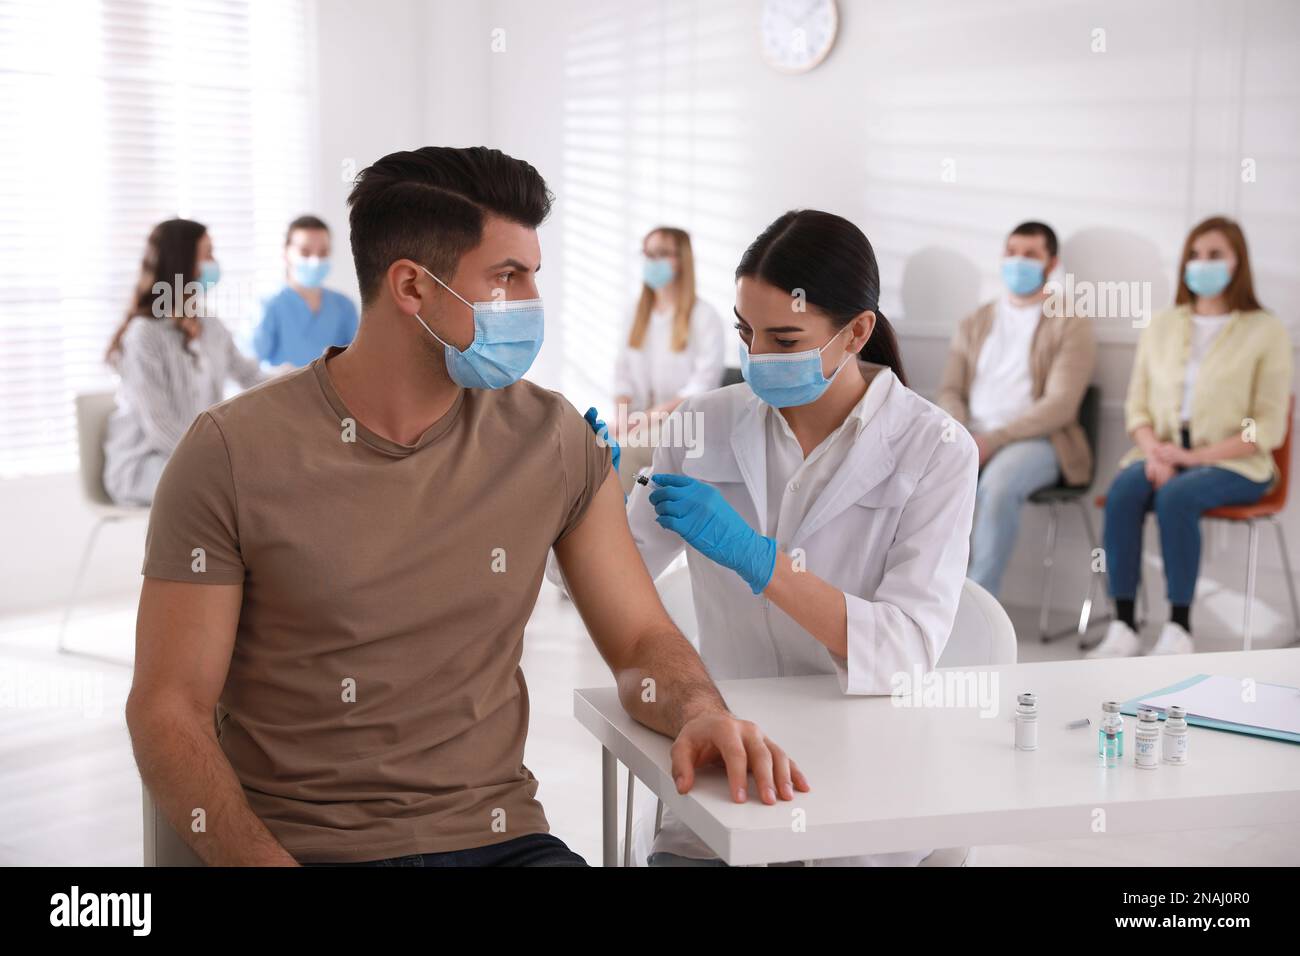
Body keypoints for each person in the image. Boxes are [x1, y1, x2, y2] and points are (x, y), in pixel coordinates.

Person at [125, 146, 806, 868]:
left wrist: (700, 709)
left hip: (499, 839)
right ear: (413, 288)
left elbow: (640, 642)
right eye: (507, 278)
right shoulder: (230, 453)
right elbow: (168, 708)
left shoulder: (552, 441)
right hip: (304, 848)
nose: (530, 303)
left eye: (533, 276)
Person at [571, 210, 978, 866]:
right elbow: (618, 585)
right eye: (746, 332)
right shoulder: (701, 423)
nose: (756, 356)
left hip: (863, 753)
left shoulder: (936, 448)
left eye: (784, 340)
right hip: (726, 742)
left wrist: (762, 563)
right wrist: (588, 497)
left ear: (857, 332)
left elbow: (902, 651)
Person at [1089, 216, 1293, 657]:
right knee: (1124, 491)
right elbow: (1137, 408)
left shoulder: (1266, 330)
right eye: (1195, 256)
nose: (1202, 264)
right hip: (1160, 453)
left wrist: (1189, 458)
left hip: (1238, 462)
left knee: (1176, 498)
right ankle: (1123, 623)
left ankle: (1178, 628)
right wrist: (1158, 454)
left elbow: (1268, 426)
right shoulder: (1162, 325)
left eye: (1215, 255)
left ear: (1238, 262)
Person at [936, 221, 1096, 597]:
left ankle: (976, 606)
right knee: (924, 484)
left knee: (997, 488)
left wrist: (992, 440)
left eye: (1030, 254)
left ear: (1051, 263)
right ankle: (929, 599)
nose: (1017, 261)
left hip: (1039, 441)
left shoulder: (1070, 322)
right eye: (1011, 252)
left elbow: (1060, 405)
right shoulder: (975, 322)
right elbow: (949, 389)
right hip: (970, 436)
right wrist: (963, 434)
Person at [102, 219, 267, 506]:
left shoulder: (208, 324)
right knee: (236, 488)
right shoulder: (145, 335)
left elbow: (250, 376)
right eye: (208, 254)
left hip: (196, 458)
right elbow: (161, 427)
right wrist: (219, 458)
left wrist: (305, 379)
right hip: (146, 465)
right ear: (183, 262)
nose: (215, 263)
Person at [612, 226, 724, 494]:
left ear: (681, 259)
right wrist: (621, 418)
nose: (653, 261)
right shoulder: (636, 314)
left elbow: (699, 389)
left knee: (624, 452)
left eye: (662, 253)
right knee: (594, 444)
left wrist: (643, 420)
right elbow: (622, 376)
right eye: (648, 253)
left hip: (686, 425)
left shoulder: (704, 317)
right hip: (640, 419)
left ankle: (617, 529)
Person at [252, 215, 359, 367]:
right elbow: (248, 368)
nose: (315, 261)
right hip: (281, 390)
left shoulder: (343, 306)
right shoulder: (268, 305)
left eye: (323, 252)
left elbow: (355, 361)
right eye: (305, 252)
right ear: (286, 253)